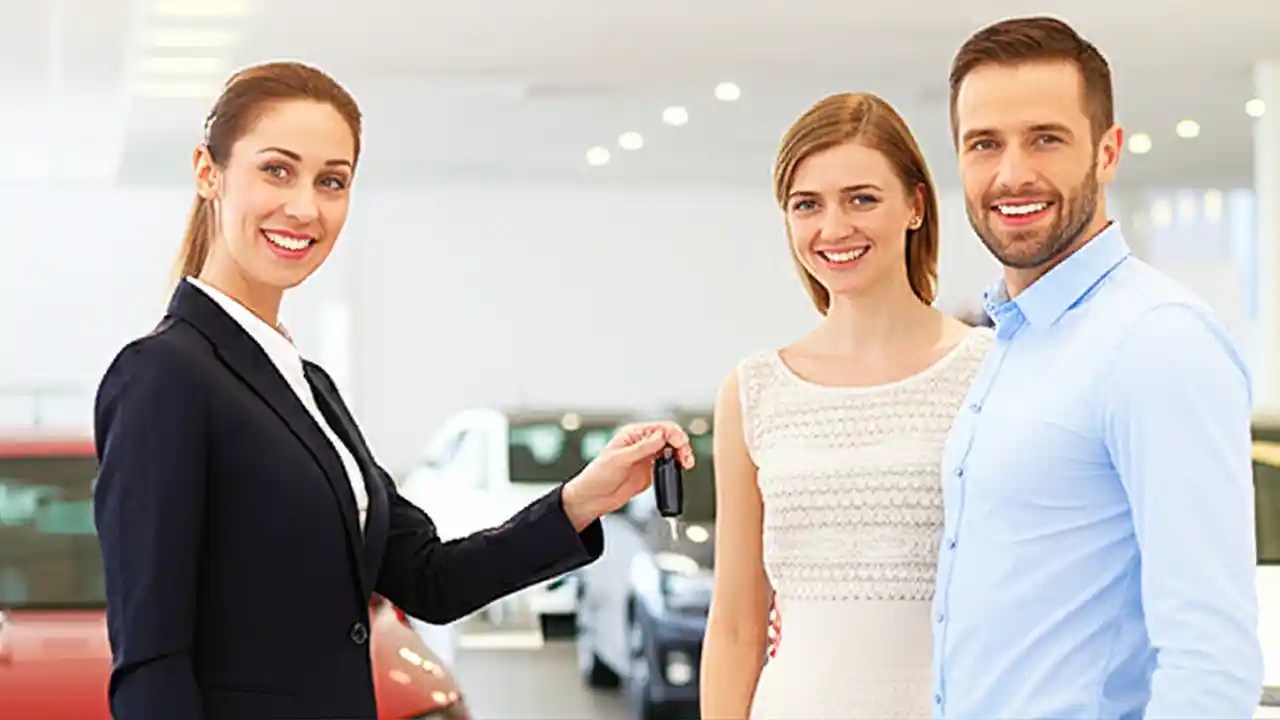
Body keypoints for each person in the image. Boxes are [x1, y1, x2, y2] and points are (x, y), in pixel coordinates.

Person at [91, 60, 696, 720]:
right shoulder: (164, 375)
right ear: (209, 172)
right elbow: (152, 661)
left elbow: (428, 578)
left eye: (332, 181)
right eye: (277, 170)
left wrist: (584, 498)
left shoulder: (305, 386)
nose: (305, 206)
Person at [930, 16, 1265, 719]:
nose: (1011, 172)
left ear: (1107, 152)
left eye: (1045, 139)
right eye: (983, 144)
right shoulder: (1015, 343)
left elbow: (1211, 658)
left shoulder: (1155, 343)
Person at [699, 91, 994, 719]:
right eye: (808, 205)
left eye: (862, 198)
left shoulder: (992, 371)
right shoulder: (753, 392)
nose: (834, 228)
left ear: (916, 205)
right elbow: (735, 628)